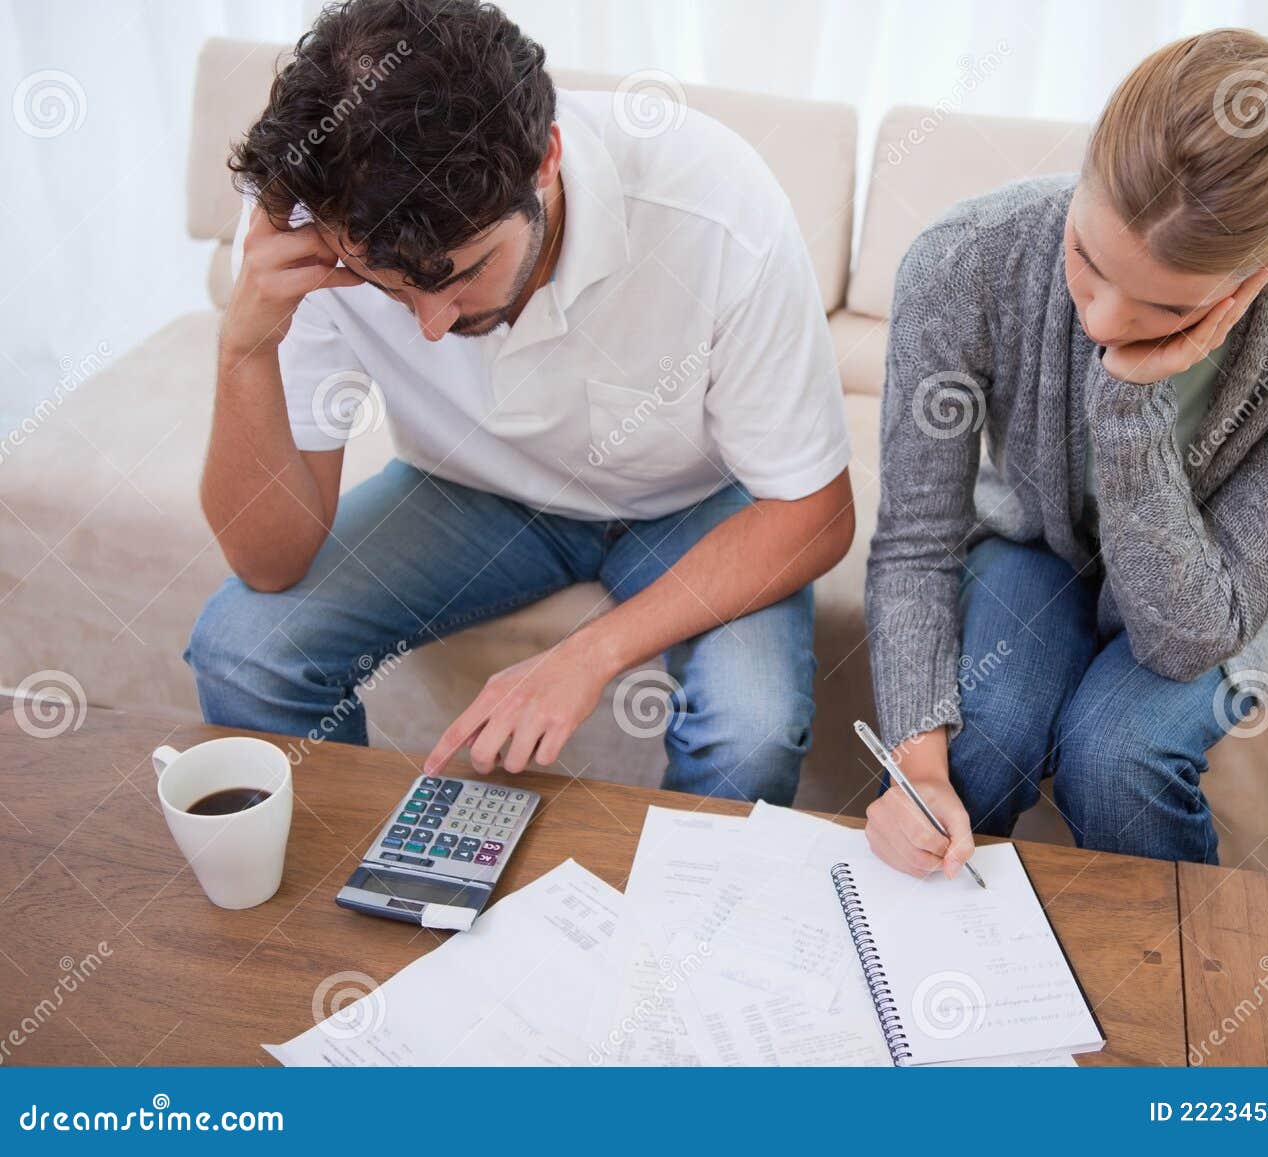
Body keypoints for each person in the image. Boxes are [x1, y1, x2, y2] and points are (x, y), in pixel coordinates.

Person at [187, 0, 854, 805]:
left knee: (750, 729)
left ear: (545, 161)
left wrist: (587, 654)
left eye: (458, 274)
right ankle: (355, 898)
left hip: (696, 503)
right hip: (474, 493)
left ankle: (681, 929)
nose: (431, 326)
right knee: (243, 648)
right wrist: (244, 345)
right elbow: (269, 559)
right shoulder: (315, 226)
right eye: (386, 289)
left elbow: (817, 511)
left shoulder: (717, 207)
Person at [864, 9, 1268, 874]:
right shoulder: (965, 260)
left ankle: (1203, 1007)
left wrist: (1130, 401)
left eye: (1166, 309)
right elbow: (915, 541)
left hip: (1232, 590)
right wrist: (913, 771)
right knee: (978, 740)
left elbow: (1183, 637)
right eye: (1088, 258)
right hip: (1042, 544)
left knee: (1117, 756)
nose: (1103, 319)